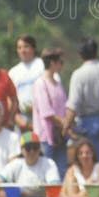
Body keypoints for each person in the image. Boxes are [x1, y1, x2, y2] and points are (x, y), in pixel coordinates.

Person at [62, 37, 99, 165]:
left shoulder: (79, 74)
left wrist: (66, 126)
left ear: (80, 55)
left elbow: (73, 103)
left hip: (89, 122)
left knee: (93, 161)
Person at [32, 47, 69, 176]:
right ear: (52, 63)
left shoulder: (58, 84)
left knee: (60, 170)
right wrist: (64, 121)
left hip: (60, 134)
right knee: (46, 170)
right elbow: (46, 111)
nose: (61, 65)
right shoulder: (40, 83)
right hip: (45, 135)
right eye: (60, 62)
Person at [9, 34, 45, 132]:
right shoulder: (13, 72)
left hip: (43, 117)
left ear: (33, 48)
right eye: (19, 47)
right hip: (22, 120)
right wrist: (17, 118)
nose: (22, 50)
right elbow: (9, 98)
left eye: (26, 47)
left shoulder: (42, 65)